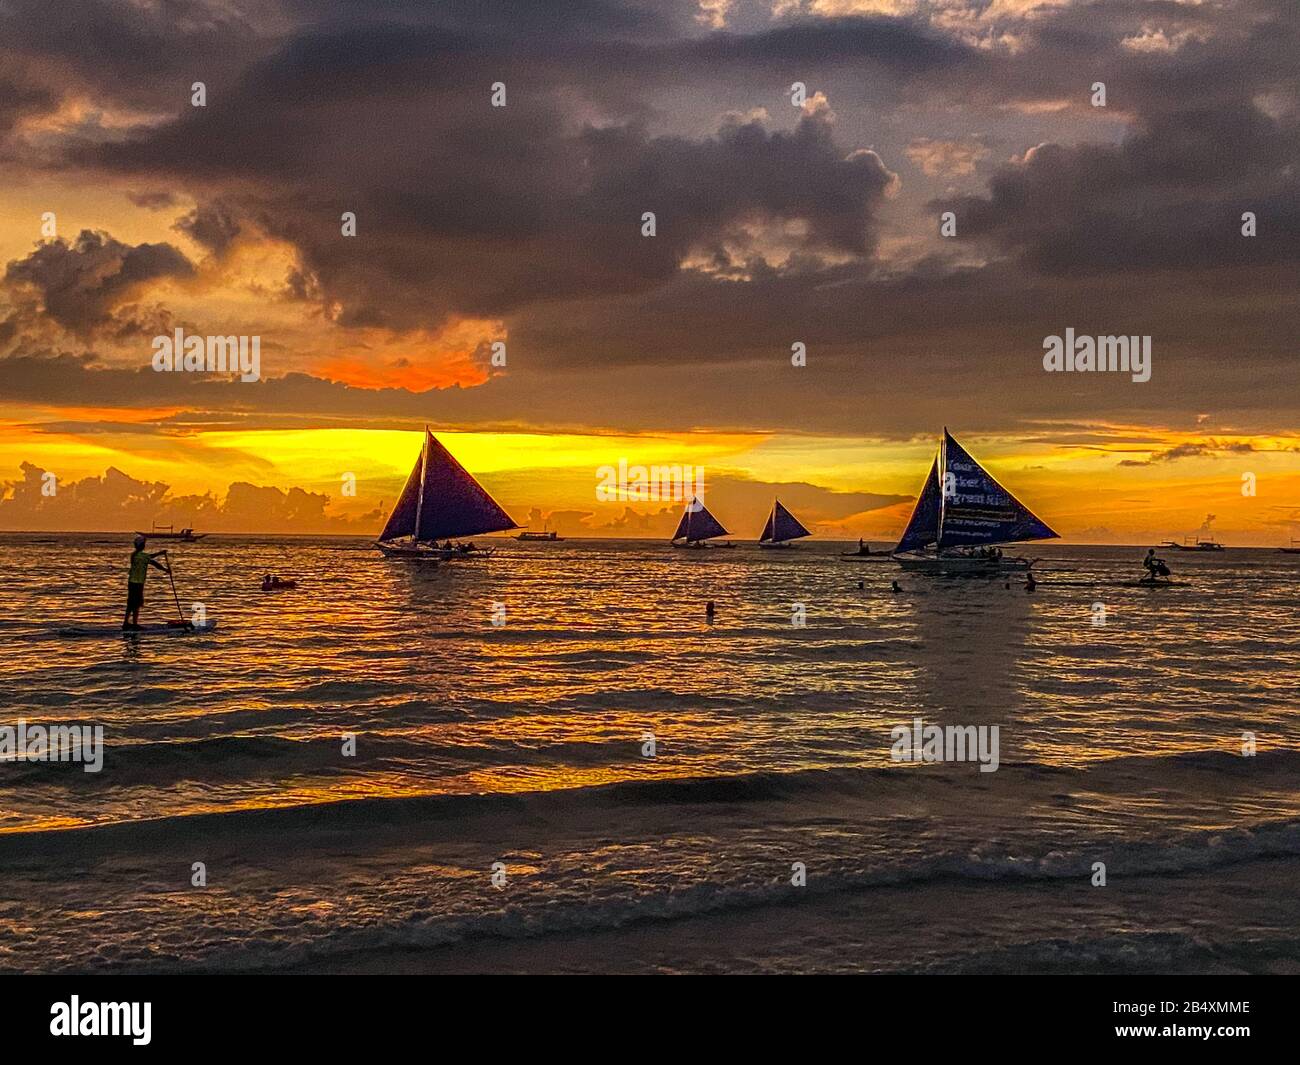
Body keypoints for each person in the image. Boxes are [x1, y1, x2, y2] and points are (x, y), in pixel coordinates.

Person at [124, 535, 169, 629]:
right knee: (136, 603)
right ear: (142, 546)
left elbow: (150, 558)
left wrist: (160, 554)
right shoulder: (141, 556)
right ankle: (134, 624)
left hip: (132, 582)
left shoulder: (135, 555)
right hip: (137, 583)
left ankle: (126, 622)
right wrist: (165, 569)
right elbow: (154, 563)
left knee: (131, 603)